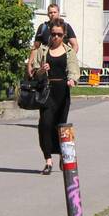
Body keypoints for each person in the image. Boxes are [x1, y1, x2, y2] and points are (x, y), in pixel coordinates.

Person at [30, 20, 80, 175]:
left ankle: (63, 156)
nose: (56, 37)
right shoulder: (43, 50)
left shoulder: (69, 52)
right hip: (47, 92)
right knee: (45, 125)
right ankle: (48, 161)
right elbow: (34, 72)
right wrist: (41, 70)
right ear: (50, 34)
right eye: (53, 34)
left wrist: (72, 79)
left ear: (64, 35)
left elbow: (74, 69)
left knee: (61, 126)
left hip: (63, 92)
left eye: (59, 34)